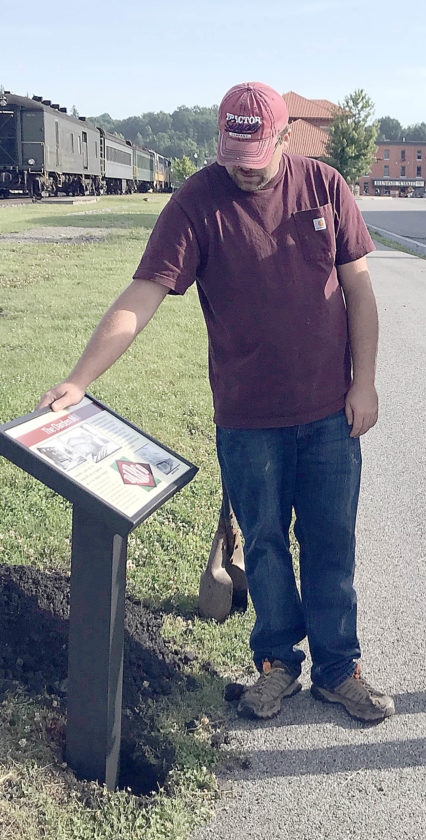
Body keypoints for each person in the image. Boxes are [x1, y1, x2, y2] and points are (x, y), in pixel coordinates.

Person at [38, 82, 395, 724]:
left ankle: (340, 670)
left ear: (285, 139)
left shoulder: (325, 187)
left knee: (331, 541)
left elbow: (359, 293)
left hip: (328, 412)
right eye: (232, 152)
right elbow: (143, 294)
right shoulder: (197, 200)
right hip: (247, 415)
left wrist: (363, 381)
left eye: (255, 154)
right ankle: (277, 664)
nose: (242, 166)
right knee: (262, 543)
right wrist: (80, 378)